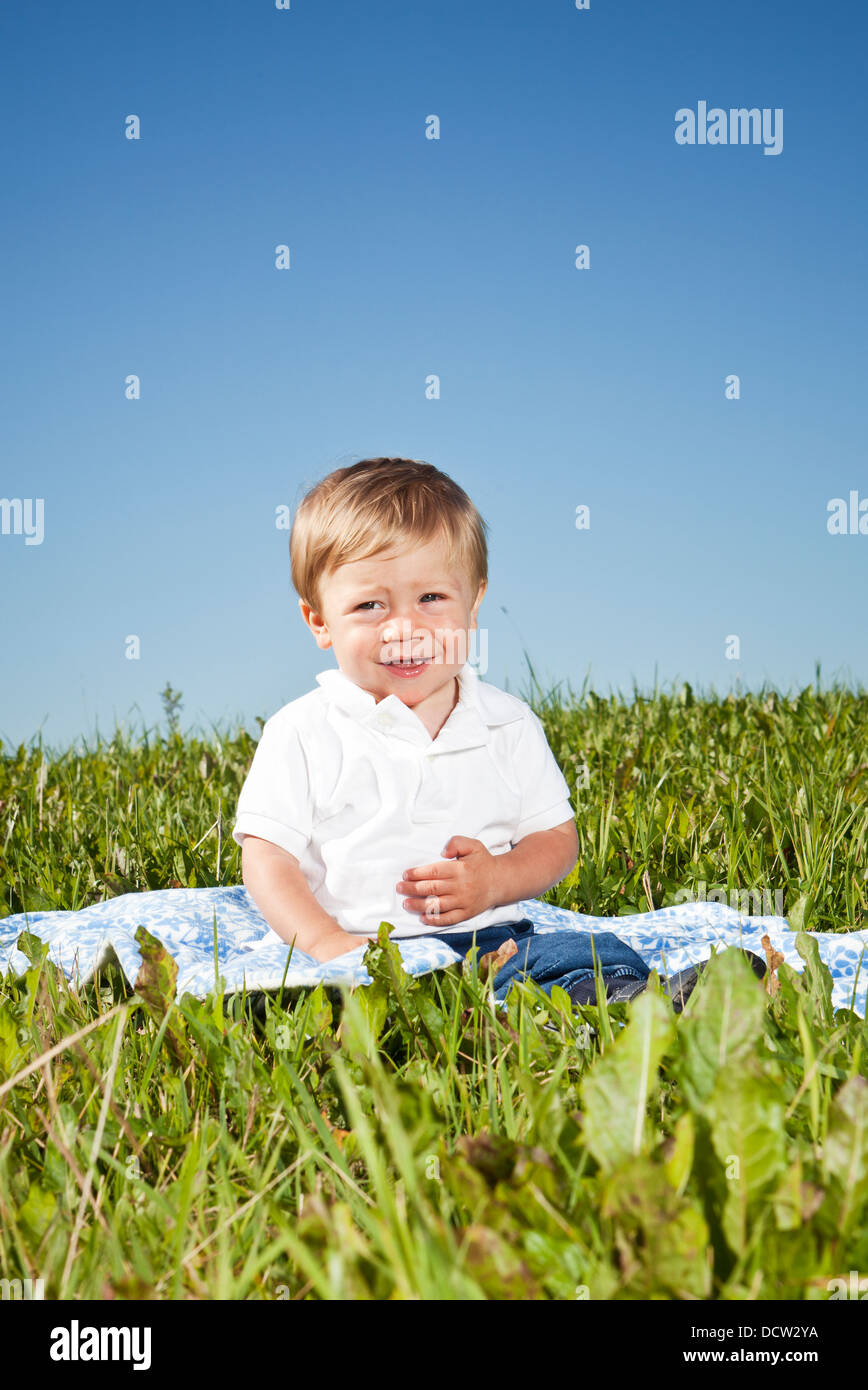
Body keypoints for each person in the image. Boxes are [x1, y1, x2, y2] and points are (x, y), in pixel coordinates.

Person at [232, 457, 764, 1013]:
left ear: (474, 601)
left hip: (493, 942)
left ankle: (622, 1005)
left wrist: (496, 880)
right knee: (341, 1002)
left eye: (431, 598)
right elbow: (268, 860)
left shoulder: (505, 722)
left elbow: (556, 841)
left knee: (581, 953)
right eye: (370, 605)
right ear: (319, 620)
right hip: (361, 952)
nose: (404, 628)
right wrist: (325, 943)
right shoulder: (304, 730)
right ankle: (564, 1011)